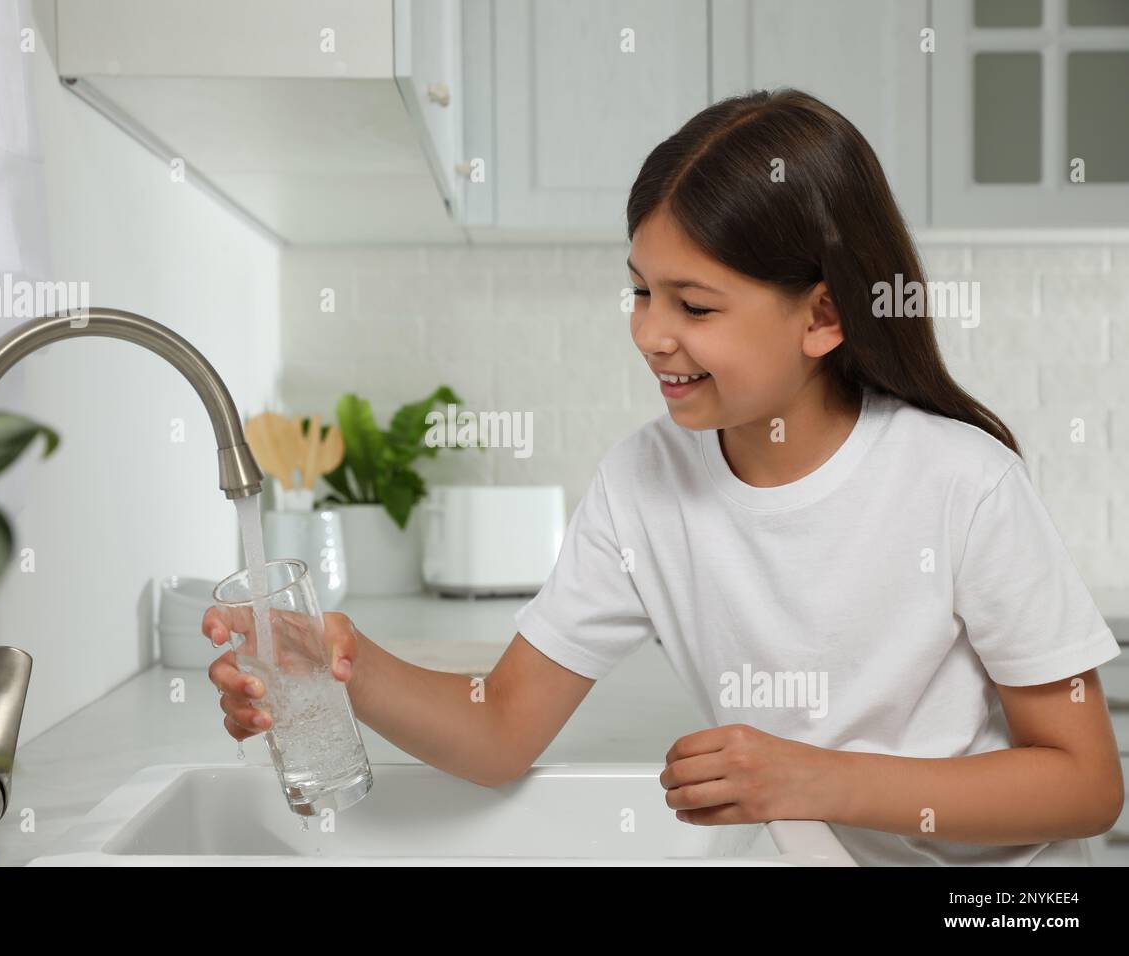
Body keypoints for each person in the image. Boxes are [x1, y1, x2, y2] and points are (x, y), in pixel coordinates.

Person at [204, 89, 1123, 866]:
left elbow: (1086, 785)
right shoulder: (643, 481)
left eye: (695, 304)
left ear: (825, 315)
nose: (650, 331)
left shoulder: (962, 483)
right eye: (641, 290)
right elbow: (502, 727)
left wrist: (815, 776)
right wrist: (340, 664)